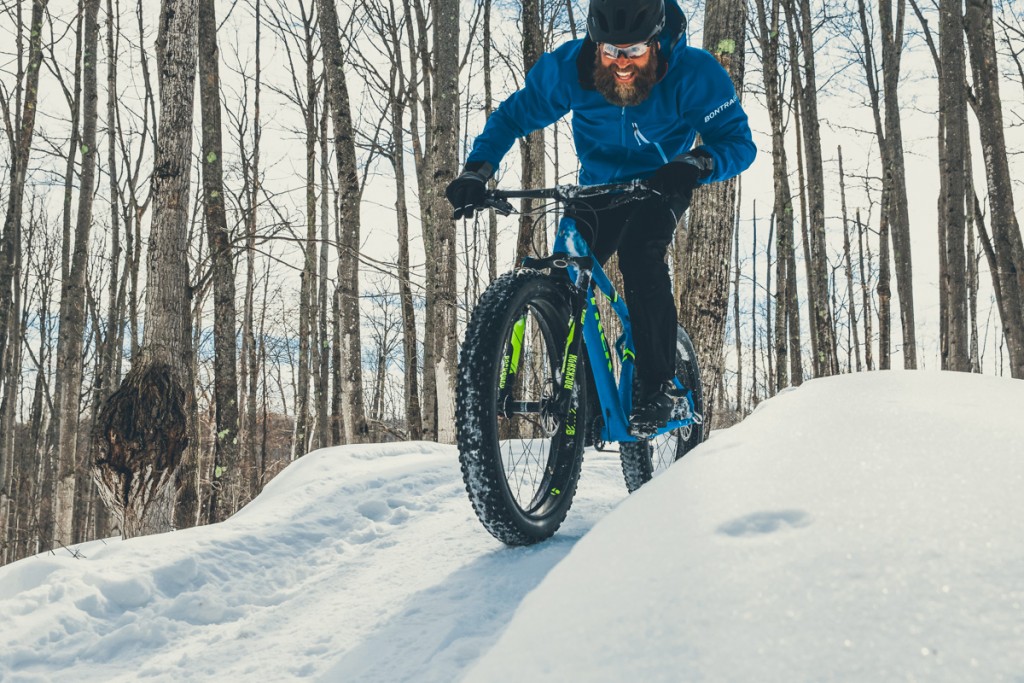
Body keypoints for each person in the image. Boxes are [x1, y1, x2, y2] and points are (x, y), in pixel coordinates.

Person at [445, 0, 756, 436]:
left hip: (660, 184)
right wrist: (477, 171)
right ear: (595, 42)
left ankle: (659, 386)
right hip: (597, 188)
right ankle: (584, 404)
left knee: (639, 256)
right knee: (564, 276)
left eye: (634, 52)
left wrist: (696, 163)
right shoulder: (571, 67)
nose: (622, 65)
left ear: (658, 42)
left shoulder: (694, 71)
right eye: (610, 51)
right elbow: (513, 116)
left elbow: (738, 143)